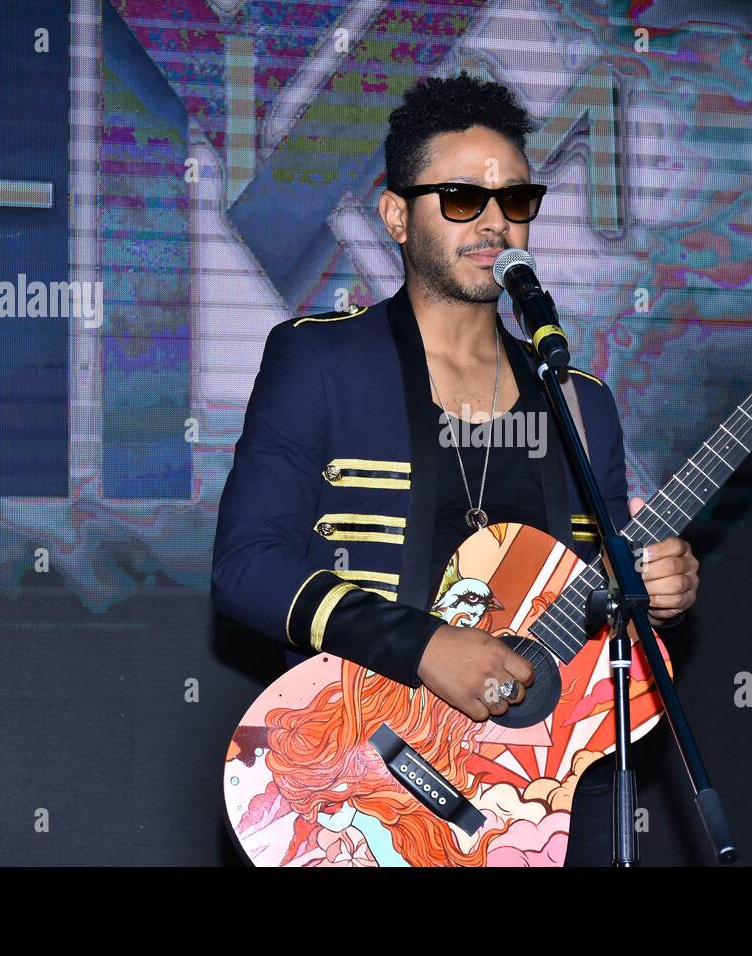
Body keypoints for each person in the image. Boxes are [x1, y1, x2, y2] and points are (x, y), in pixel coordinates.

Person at [212, 71, 699, 866]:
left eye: (515, 200)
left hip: (537, 801)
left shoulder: (579, 402)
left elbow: (599, 598)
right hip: (363, 777)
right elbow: (245, 566)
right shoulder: (321, 360)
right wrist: (426, 646)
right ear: (397, 216)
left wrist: (651, 590)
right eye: (463, 198)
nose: (495, 223)